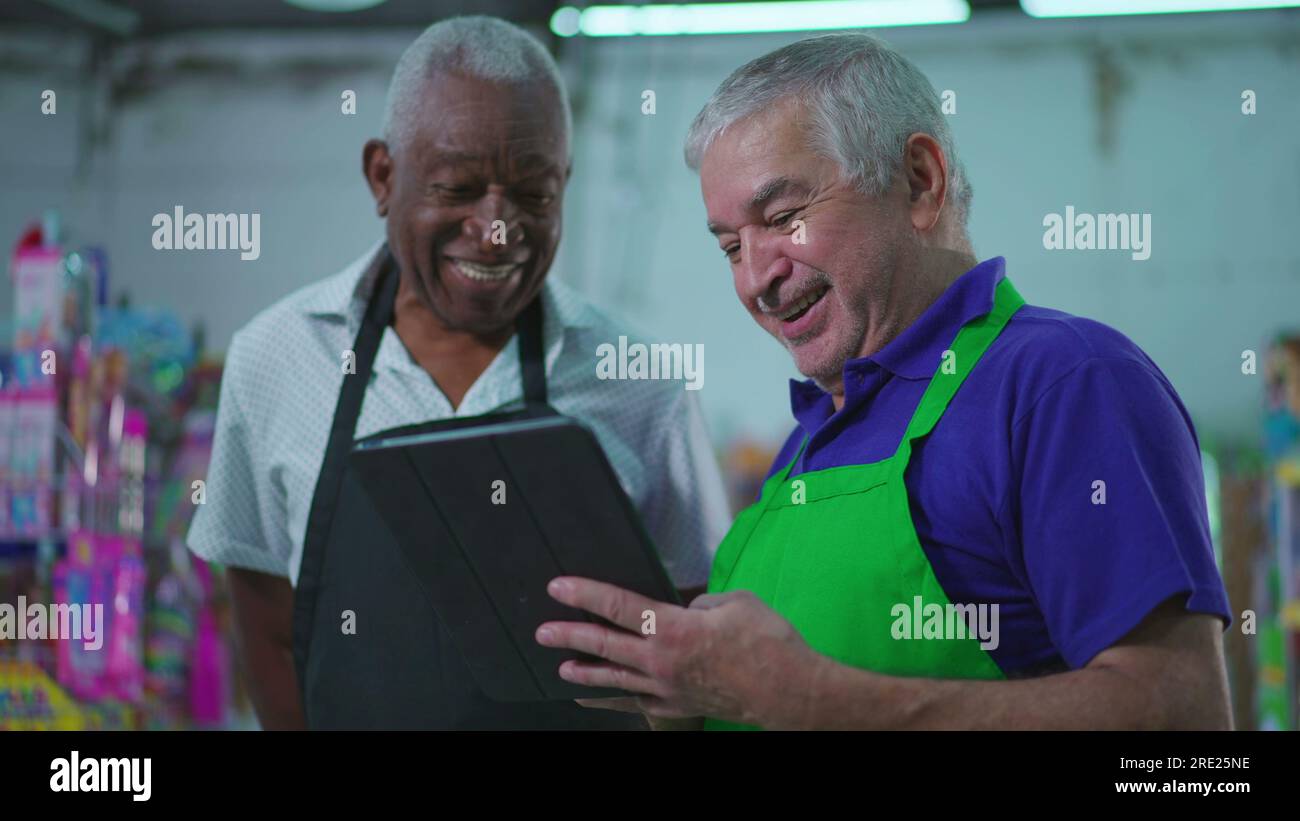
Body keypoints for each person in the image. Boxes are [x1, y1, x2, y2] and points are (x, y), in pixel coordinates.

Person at [536, 32, 1234, 730]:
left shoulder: (1064, 385)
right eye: (729, 246)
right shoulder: (803, 448)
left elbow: (1187, 737)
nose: (755, 279)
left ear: (920, 182)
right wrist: (682, 697)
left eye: (783, 219)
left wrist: (811, 700)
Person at [187, 16, 729, 729]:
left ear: (563, 183)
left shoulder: (642, 385)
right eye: (458, 187)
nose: (497, 227)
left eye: (534, 195)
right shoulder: (275, 360)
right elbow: (266, 624)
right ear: (383, 175)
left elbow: (694, 645)